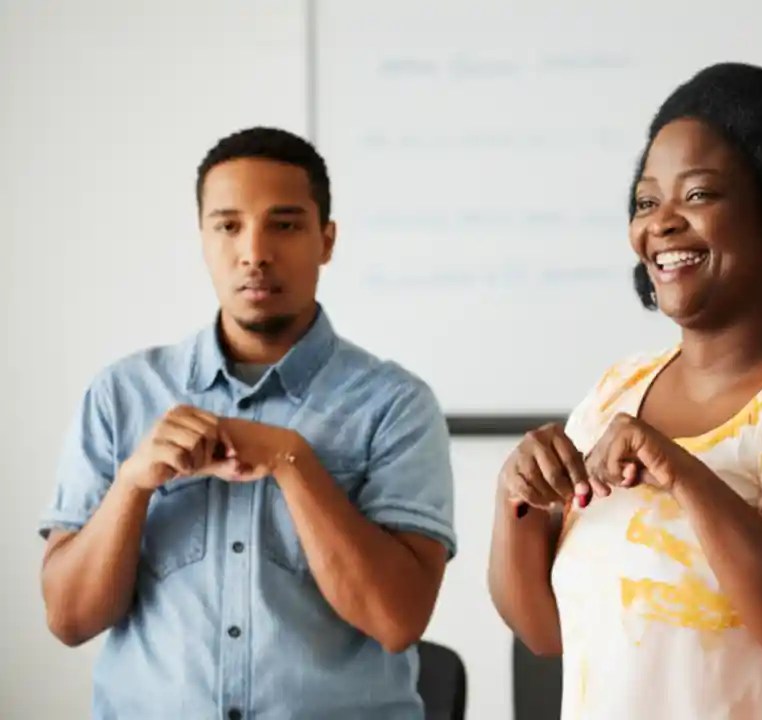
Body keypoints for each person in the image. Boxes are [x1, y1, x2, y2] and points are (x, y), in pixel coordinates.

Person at [488, 62, 762, 719]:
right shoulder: (615, 391)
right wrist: (515, 497)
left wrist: (683, 472)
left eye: (699, 195)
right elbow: (547, 632)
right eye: (647, 201)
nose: (662, 223)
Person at [38, 127, 456, 719]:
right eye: (229, 226)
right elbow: (70, 619)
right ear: (204, 239)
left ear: (326, 239)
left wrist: (293, 462)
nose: (254, 252)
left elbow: (396, 620)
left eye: (284, 225)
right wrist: (133, 484)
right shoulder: (120, 395)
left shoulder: (395, 404)